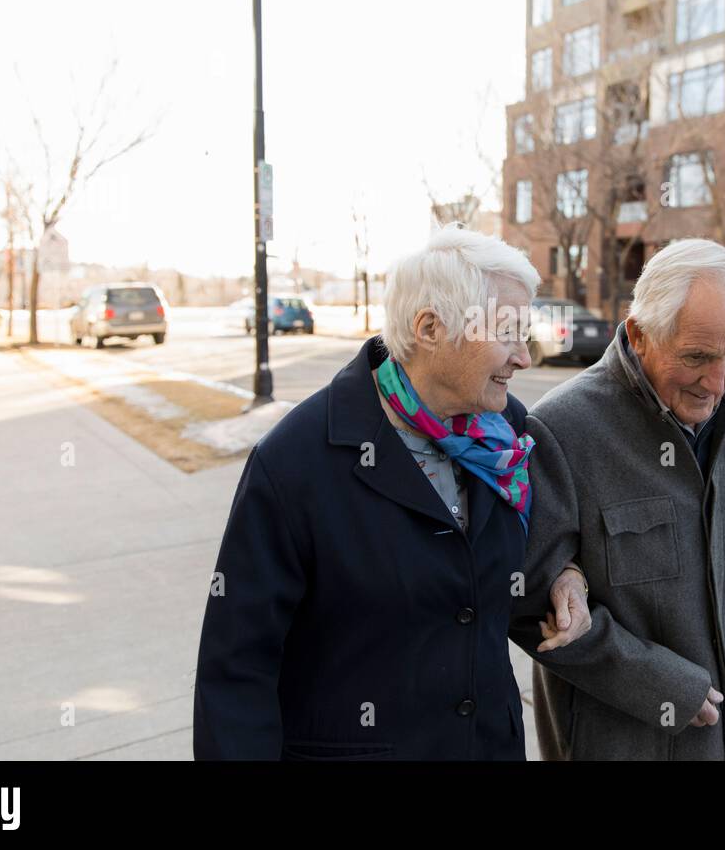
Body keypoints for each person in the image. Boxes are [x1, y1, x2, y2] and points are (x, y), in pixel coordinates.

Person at [193, 225, 590, 760]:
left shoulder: (505, 434)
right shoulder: (296, 460)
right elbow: (237, 670)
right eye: (507, 332)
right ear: (429, 328)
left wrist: (568, 576)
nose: (524, 356)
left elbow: (507, 575)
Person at [509, 238, 725, 760]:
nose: (718, 381)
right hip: (609, 735)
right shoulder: (561, 428)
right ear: (639, 334)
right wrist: (663, 686)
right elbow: (527, 603)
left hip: (712, 727)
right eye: (698, 357)